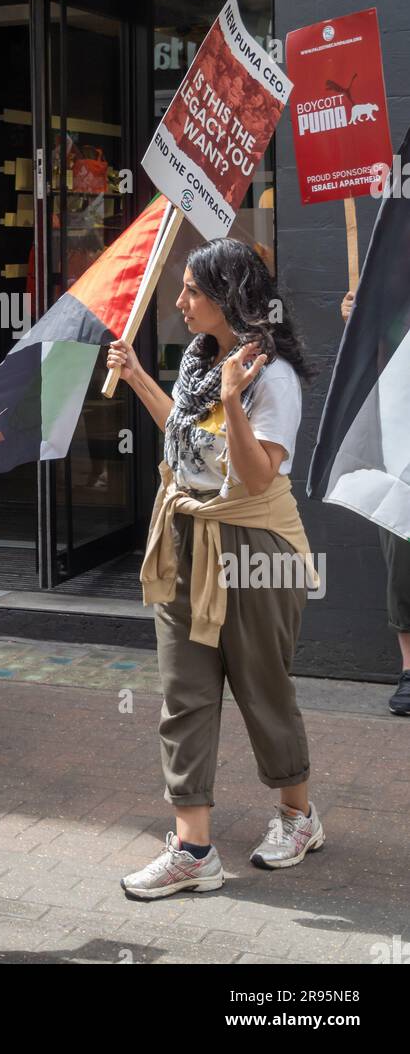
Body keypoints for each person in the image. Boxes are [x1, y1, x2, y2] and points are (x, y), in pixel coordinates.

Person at [110, 238, 323, 901]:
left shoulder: (271, 376)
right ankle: (193, 849)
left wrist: (234, 401)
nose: (179, 303)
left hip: (257, 548)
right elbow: (183, 438)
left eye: (192, 292)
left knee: (262, 687)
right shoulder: (201, 363)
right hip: (186, 539)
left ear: (229, 297)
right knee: (185, 694)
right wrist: (140, 375)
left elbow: (255, 474)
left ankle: (298, 815)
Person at [341, 290, 410, 715]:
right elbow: (370, 361)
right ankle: (409, 671)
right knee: (401, 553)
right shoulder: (395, 296)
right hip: (402, 443)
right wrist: (356, 321)